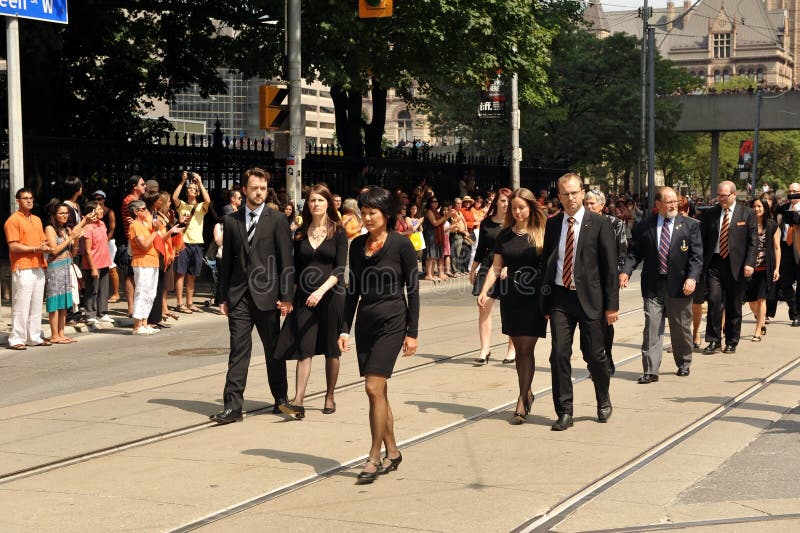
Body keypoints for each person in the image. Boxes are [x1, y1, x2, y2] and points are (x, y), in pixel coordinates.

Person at [338, 187, 419, 484]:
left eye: (373, 212)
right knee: (379, 392)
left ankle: (373, 456)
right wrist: (344, 328)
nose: (367, 218)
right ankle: (393, 451)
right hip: (366, 324)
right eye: (364, 212)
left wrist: (413, 332)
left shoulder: (401, 245)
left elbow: (414, 290)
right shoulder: (356, 246)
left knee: (373, 388)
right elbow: (352, 292)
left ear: (386, 214)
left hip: (393, 322)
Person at [210, 167, 295, 424]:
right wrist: (222, 296)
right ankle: (233, 407)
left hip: (268, 295)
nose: (259, 192)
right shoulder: (232, 221)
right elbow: (227, 263)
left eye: (262, 188)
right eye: (254, 188)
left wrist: (287, 296)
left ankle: (281, 400)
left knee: (273, 350)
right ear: (244, 189)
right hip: (238, 297)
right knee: (238, 350)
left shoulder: (277, 220)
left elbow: (286, 260)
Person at [541, 173, 618, 431]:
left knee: (595, 355)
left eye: (574, 193)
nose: (570, 198)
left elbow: (609, 268)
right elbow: (548, 264)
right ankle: (564, 410)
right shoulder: (552, 225)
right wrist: (545, 302)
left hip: (591, 300)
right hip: (561, 298)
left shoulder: (599, 222)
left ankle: (603, 397)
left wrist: (612, 306)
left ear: (582, 192)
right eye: (565, 194)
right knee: (559, 354)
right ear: (559, 196)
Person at [275, 184, 347, 419]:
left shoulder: (338, 231)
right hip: (304, 297)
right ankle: (298, 401)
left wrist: (322, 290)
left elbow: (339, 268)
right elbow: (294, 268)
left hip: (331, 296)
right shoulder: (300, 232)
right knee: (303, 347)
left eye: (320, 200)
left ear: (328, 203)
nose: (315, 204)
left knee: (330, 349)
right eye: (312, 200)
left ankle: (329, 395)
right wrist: (288, 298)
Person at [477, 188, 547, 424]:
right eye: (514, 208)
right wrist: (485, 290)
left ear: (531, 207)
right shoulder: (504, 235)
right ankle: (526, 392)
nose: (517, 212)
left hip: (534, 296)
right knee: (518, 348)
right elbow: (496, 267)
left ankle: (521, 400)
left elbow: (549, 266)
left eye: (521, 208)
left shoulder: (541, 232)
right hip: (511, 296)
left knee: (526, 348)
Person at [620, 187, 703, 382]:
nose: (674, 205)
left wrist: (692, 278)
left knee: (680, 327)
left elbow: (697, 256)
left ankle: (683, 361)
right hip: (653, 284)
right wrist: (625, 271)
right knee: (652, 327)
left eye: (675, 201)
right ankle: (650, 370)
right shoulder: (644, 226)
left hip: (680, 284)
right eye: (669, 202)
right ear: (658, 204)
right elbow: (635, 253)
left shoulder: (690, 225)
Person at [700, 181, 757, 354]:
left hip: (737, 265)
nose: (721, 199)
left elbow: (753, 242)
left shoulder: (747, 214)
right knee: (714, 301)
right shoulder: (711, 214)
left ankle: (732, 340)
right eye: (719, 195)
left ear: (733, 195)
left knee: (734, 304)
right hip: (715, 263)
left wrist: (749, 263)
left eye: (724, 195)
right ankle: (714, 340)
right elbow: (702, 240)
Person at [469, 188, 516, 364]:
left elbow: (517, 247)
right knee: (483, 306)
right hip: (488, 264)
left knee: (509, 309)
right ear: (496, 201)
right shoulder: (487, 222)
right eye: (503, 201)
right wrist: (473, 269)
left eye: (509, 201)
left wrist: (510, 265)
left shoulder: (514, 223)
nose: (506, 204)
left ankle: (512, 349)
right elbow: (481, 248)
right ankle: (484, 349)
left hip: (508, 265)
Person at [584, 190, 627, 375]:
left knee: (605, 322)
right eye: (586, 203)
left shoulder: (615, 224)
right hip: (585, 280)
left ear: (602, 205)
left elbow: (622, 250)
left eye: (592, 203)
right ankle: (593, 357)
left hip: (606, 279)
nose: (588, 207)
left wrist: (619, 273)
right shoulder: (579, 223)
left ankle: (606, 355)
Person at [4, 190, 54, 350]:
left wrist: (46, 247)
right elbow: (13, 245)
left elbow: (43, 241)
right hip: (23, 266)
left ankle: (34, 336)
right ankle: (16, 339)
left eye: (31, 198)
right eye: (25, 198)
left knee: (37, 305)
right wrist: (35, 249)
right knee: (21, 305)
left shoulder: (37, 219)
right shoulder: (13, 220)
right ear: (17, 201)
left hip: (38, 266)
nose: (29, 201)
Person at [172, 170, 210, 314]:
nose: (192, 190)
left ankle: (190, 302)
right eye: (190, 188)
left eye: (195, 189)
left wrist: (200, 183)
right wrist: (182, 182)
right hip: (183, 242)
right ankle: (180, 303)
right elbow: (174, 197)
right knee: (180, 273)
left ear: (198, 192)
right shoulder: (181, 204)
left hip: (197, 243)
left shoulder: (201, 207)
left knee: (192, 275)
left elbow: (208, 201)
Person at [745, 198, 780, 341]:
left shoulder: (772, 225)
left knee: (761, 300)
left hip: (766, 268)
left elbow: (777, 248)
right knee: (751, 302)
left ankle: (758, 329)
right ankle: (761, 319)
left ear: (765, 208)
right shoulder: (748, 224)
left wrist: (777, 268)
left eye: (759, 206)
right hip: (750, 268)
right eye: (754, 206)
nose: (756, 208)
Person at [81, 201, 115, 328]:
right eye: (98, 209)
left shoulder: (102, 224)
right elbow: (88, 250)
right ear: (92, 212)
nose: (101, 211)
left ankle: (102, 312)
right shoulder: (88, 228)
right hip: (93, 264)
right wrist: (93, 268)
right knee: (92, 290)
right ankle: (90, 314)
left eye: (101, 209)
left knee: (103, 290)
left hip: (104, 262)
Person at [121, 175, 146, 317]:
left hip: (138, 236)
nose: (145, 186)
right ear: (134, 187)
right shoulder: (129, 201)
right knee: (131, 273)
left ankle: (136, 305)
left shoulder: (138, 201)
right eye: (142, 184)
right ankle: (131, 306)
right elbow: (132, 222)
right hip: (132, 239)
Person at [777, 183, 800, 327]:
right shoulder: (783, 209)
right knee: (784, 282)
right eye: (790, 191)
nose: (792, 194)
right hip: (785, 247)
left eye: (795, 191)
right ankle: (794, 310)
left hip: (799, 247)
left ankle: (797, 315)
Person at [422, 197, 448, 281]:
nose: (435, 203)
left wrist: (446, 217)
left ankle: (438, 273)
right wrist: (446, 217)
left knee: (438, 255)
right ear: (429, 203)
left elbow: (441, 222)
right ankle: (429, 274)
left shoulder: (436, 211)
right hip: (431, 235)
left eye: (436, 201)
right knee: (431, 256)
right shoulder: (429, 211)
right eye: (433, 202)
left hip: (437, 236)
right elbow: (435, 223)